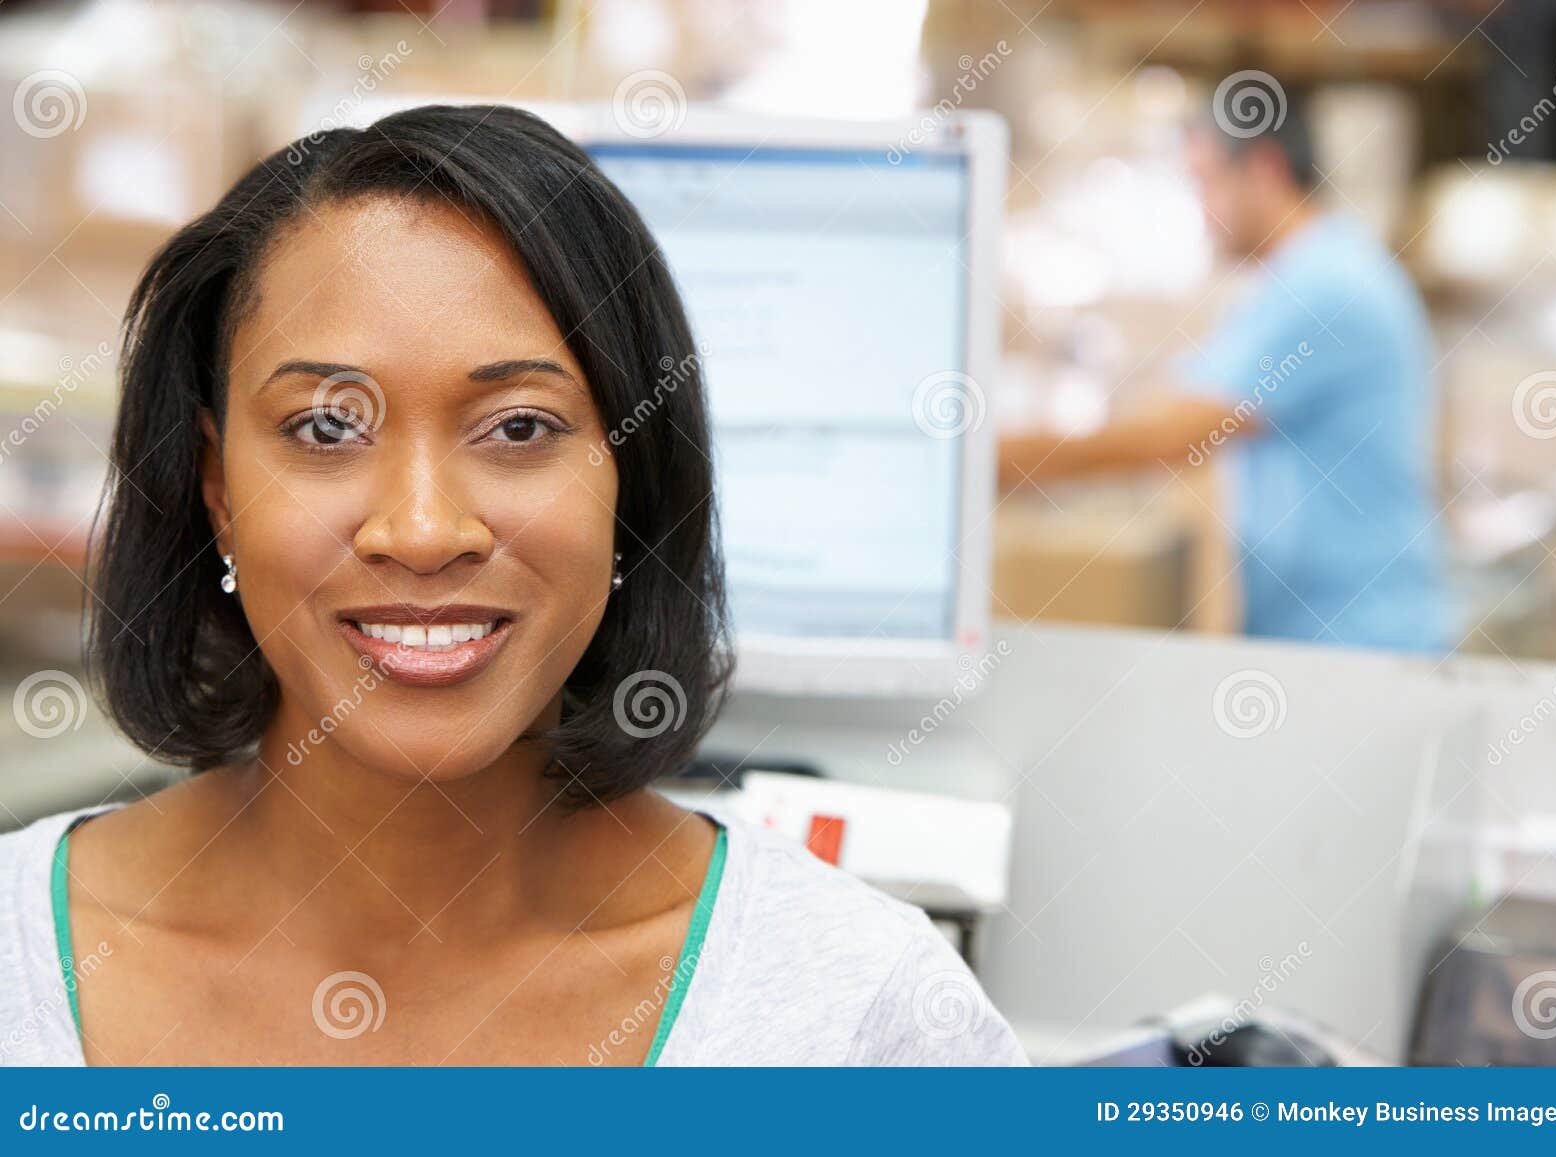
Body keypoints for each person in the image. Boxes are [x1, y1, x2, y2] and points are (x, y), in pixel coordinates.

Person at [0, 105, 1025, 1067]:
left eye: (521, 427)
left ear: (634, 475)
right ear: (215, 487)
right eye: (325, 427)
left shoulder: (859, 1015)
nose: (423, 530)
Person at [1000, 87, 1451, 653]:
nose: (1202, 208)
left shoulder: (1327, 285)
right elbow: (1184, 393)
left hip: (1359, 639)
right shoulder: (1298, 276)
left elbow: (1172, 433)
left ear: (1263, 168)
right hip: (1320, 634)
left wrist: (1000, 460)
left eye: (1206, 181)